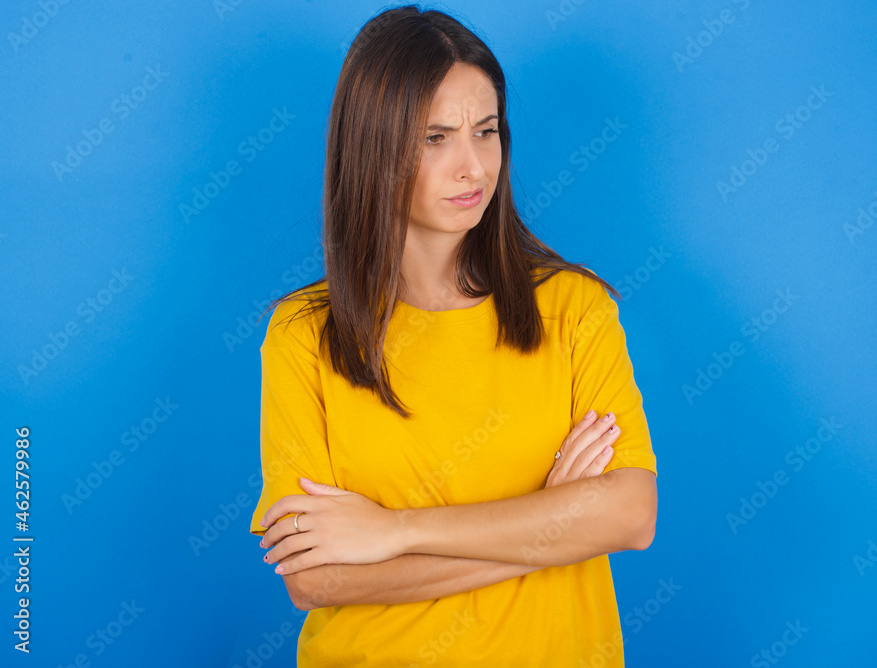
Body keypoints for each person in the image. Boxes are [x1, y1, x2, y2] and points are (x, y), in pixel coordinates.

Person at [248, 5, 658, 666]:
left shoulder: (576, 308)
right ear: (374, 145)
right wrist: (551, 523)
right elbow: (316, 578)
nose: (473, 166)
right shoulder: (302, 335)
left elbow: (632, 516)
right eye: (435, 137)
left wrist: (392, 533)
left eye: (486, 131)